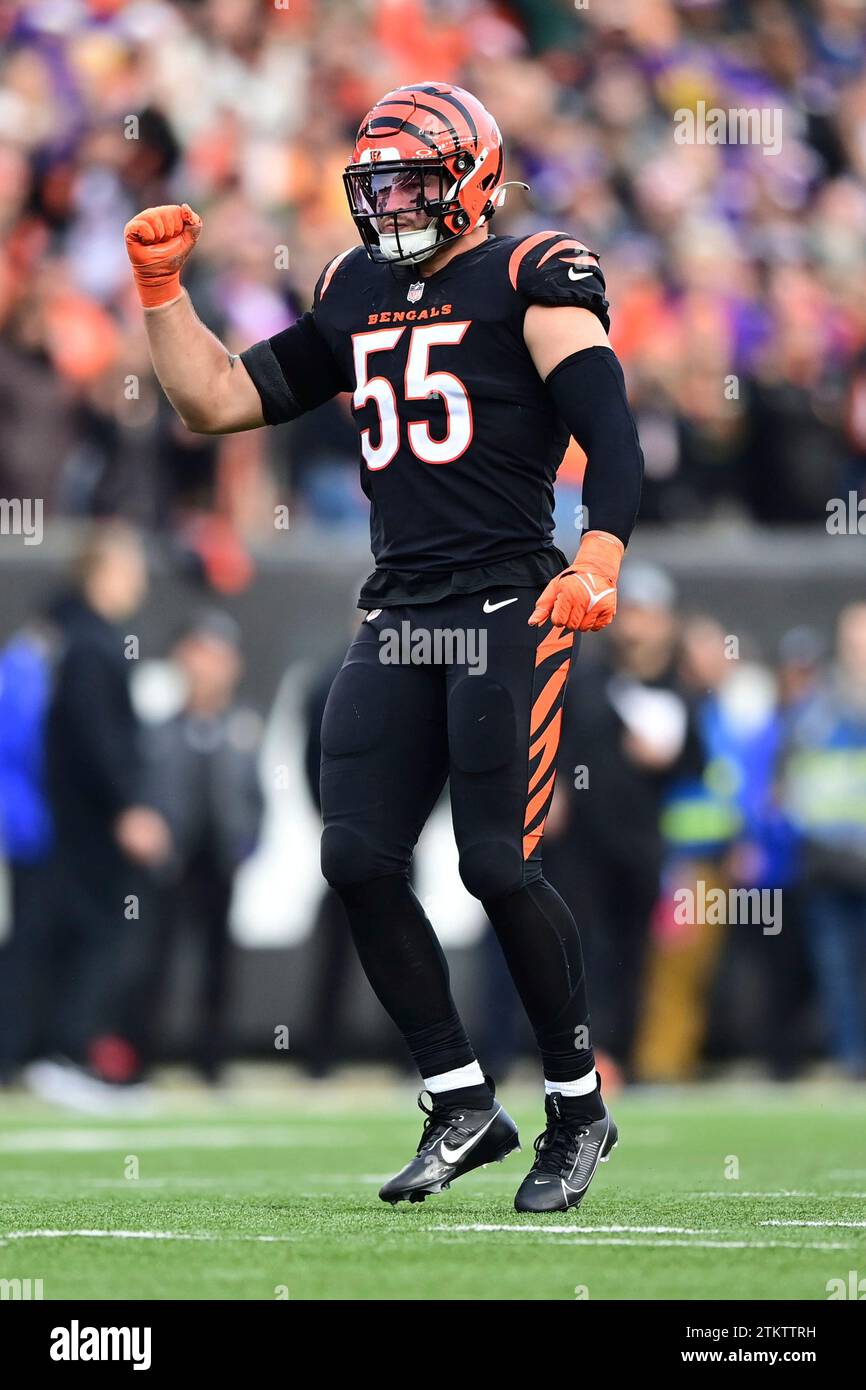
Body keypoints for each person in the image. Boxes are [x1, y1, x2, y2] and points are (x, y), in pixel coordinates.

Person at [124, 82, 643, 1213]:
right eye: (378, 187)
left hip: (511, 600)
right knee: (353, 857)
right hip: (398, 609)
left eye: (411, 183)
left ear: (471, 182)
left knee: (496, 863)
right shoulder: (355, 286)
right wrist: (162, 294)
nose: (391, 206)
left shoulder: (529, 271)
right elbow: (215, 400)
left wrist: (596, 554)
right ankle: (460, 1099)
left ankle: (576, 1102)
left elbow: (609, 427)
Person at [36, 523, 172, 1098]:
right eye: (131, 567)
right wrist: (128, 807)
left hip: (83, 818)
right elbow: (97, 737)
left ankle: (77, 1053)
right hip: (93, 822)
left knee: (99, 932)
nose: (139, 580)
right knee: (101, 934)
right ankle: (72, 1054)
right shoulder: (91, 644)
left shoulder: (82, 636)